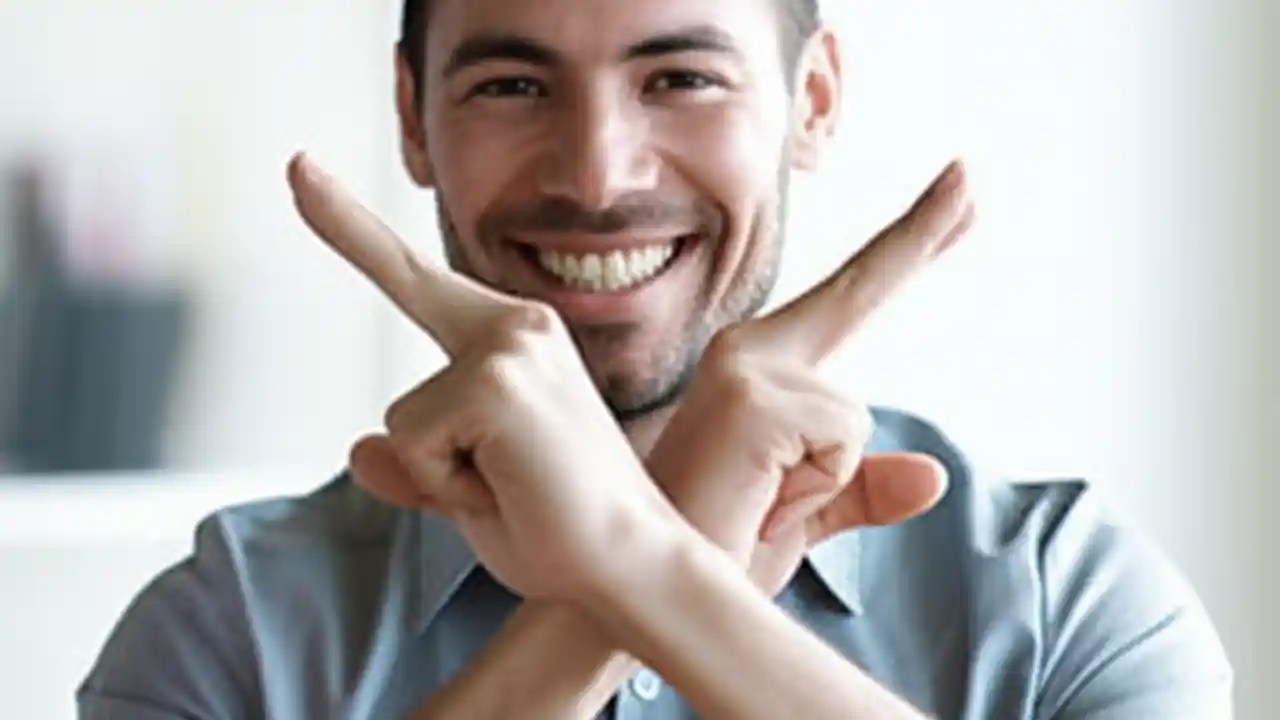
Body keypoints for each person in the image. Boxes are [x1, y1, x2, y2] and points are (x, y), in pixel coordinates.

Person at [78, 0, 1232, 718]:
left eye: (680, 76)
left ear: (810, 102)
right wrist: (649, 575)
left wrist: (637, 568)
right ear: (414, 120)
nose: (596, 175)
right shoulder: (220, 630)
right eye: (511, 84)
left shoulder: (1066, 602)